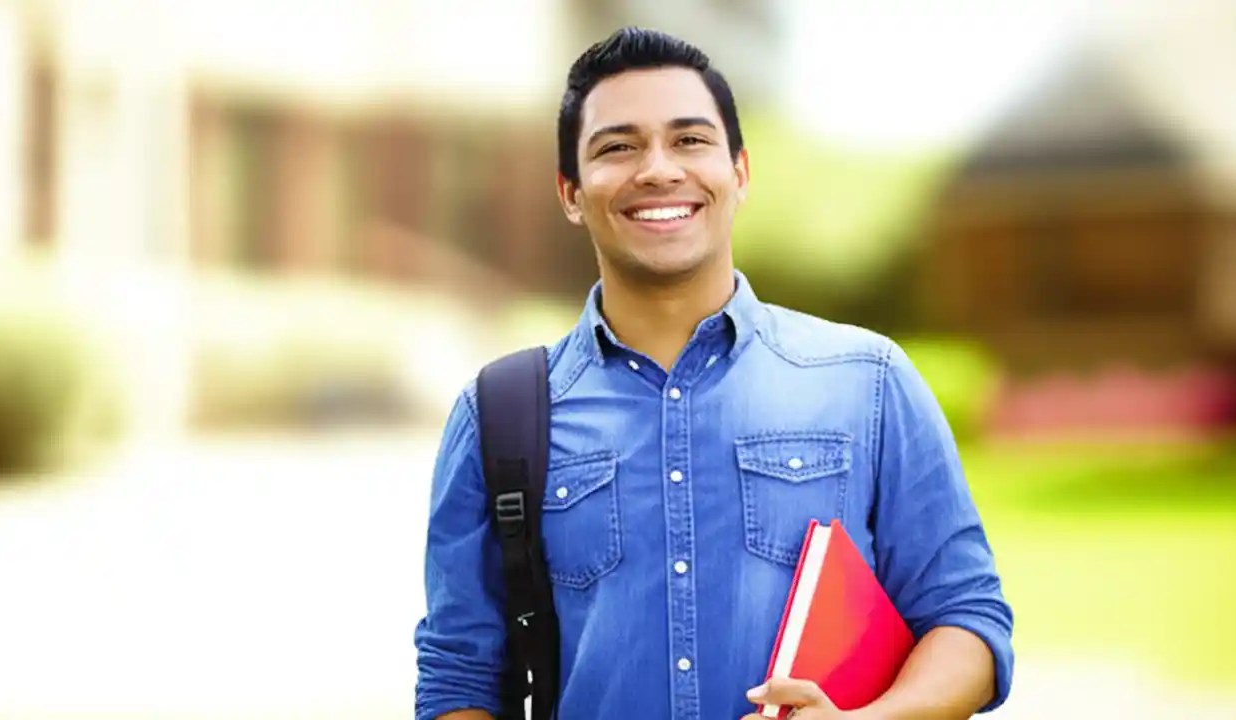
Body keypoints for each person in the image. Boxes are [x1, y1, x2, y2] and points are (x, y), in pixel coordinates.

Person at [414, 27, 1013, 720]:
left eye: (690, 140)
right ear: (570, 192)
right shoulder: (500, 416)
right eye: (618, 147)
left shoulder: (868, 381)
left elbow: (966, 619)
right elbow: (459, 675)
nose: (659, 169)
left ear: (740, 173)